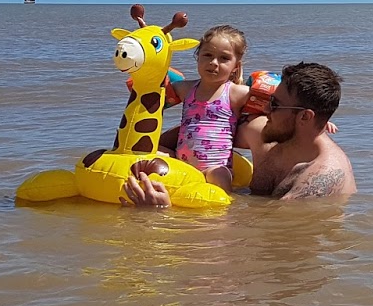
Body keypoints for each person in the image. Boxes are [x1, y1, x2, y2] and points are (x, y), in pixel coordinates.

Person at [123, 61, 356, 206]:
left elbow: (271, 232)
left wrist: (164, 212)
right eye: (268, 100)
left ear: (305, 117)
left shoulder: (320, 180)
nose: (265, 109)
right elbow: (197, 134)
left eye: (274, 104)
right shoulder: (264, 133)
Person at [165, 22, 252, 190]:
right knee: (155, 153)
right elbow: (159, 94)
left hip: (214, 168)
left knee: (220, 175)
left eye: (224, 58)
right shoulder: (186, 89)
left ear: (236, 67)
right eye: (207, 55)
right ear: (198, 57)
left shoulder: (234, 93)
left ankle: (226, 204)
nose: (213, 62)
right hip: (182, 164)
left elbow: (271, 100)